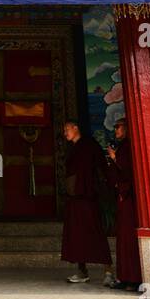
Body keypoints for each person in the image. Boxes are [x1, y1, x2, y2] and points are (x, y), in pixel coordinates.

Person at [60, 121, 114, 284]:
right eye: (64, 131)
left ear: (76, 127)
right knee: (76, 236)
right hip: (74, 198)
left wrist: (102, 190)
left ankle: (108, 272)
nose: (65, 133)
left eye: (67, 129)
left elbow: (101, 167)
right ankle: (82, 271)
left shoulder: (89, 145)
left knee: (95, 233)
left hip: (89, 197)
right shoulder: (72, 149)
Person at [106, 118, 142, 291]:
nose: (116, 131)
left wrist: (114, 157)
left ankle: (133, 278)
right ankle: (125, 277)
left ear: (127, 128)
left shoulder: (130, 147)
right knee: (123, 239)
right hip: (122, 197)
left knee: (129, 239)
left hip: (128, 198)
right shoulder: (124, 146)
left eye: (118, 127)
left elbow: (130, 171)